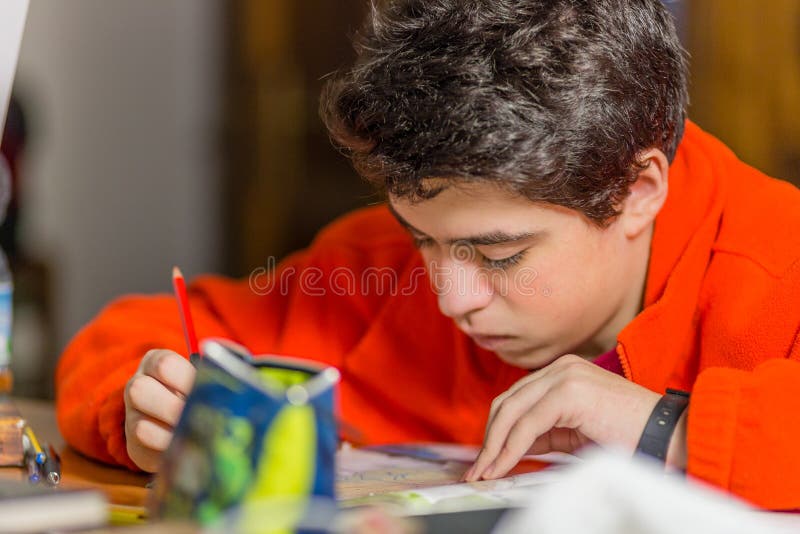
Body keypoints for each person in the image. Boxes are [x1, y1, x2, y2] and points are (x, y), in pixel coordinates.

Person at [56, 0, 800, 510]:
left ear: (638, 191)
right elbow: (129, 337)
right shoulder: (369, 271)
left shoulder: (777, 259)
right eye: (423, 238)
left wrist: (667, 429)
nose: (450, 297)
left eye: (500, 254)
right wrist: (146, 412)